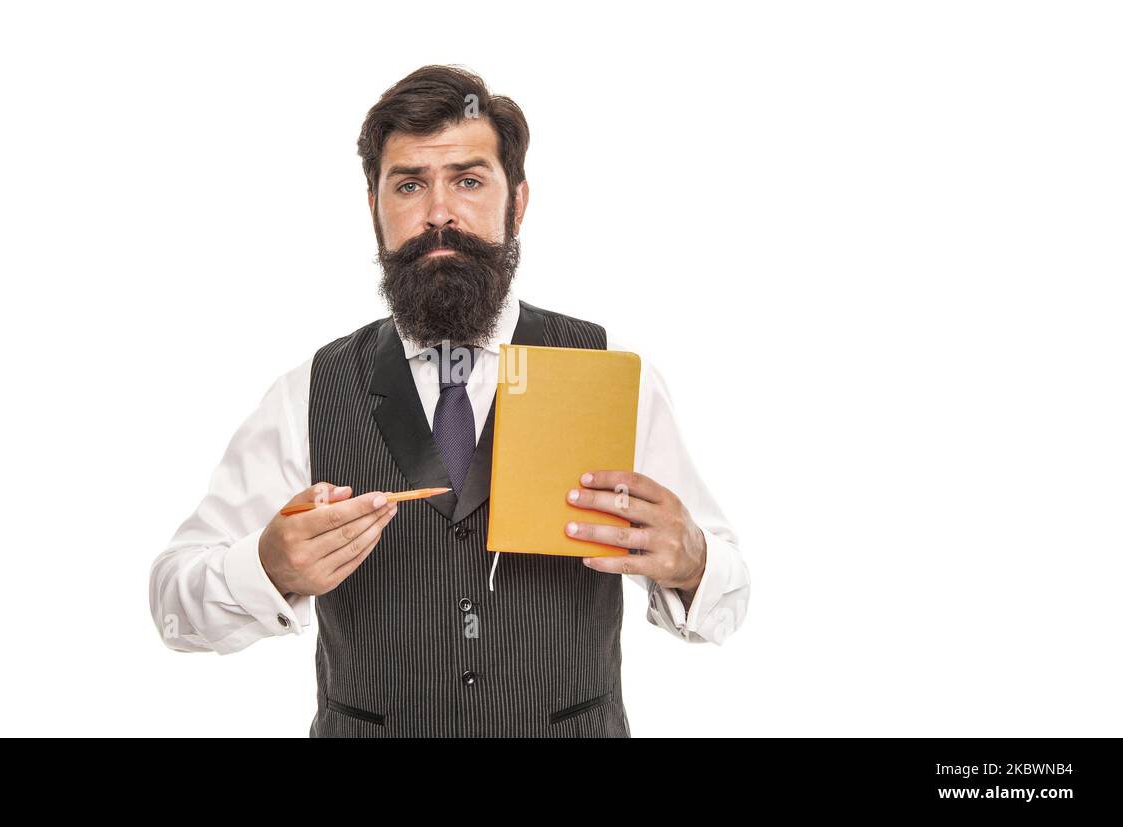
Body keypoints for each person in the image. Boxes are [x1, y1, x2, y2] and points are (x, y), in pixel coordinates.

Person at [148, 65, 751, 737]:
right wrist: (266, 567)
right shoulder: (308, 391)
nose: (439, 212)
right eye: (409, 185)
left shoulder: (608, 376)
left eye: (468, 180)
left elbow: (729, 600)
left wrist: (694, 560)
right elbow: (174, 602)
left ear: (516, 203)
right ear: (374, 207)